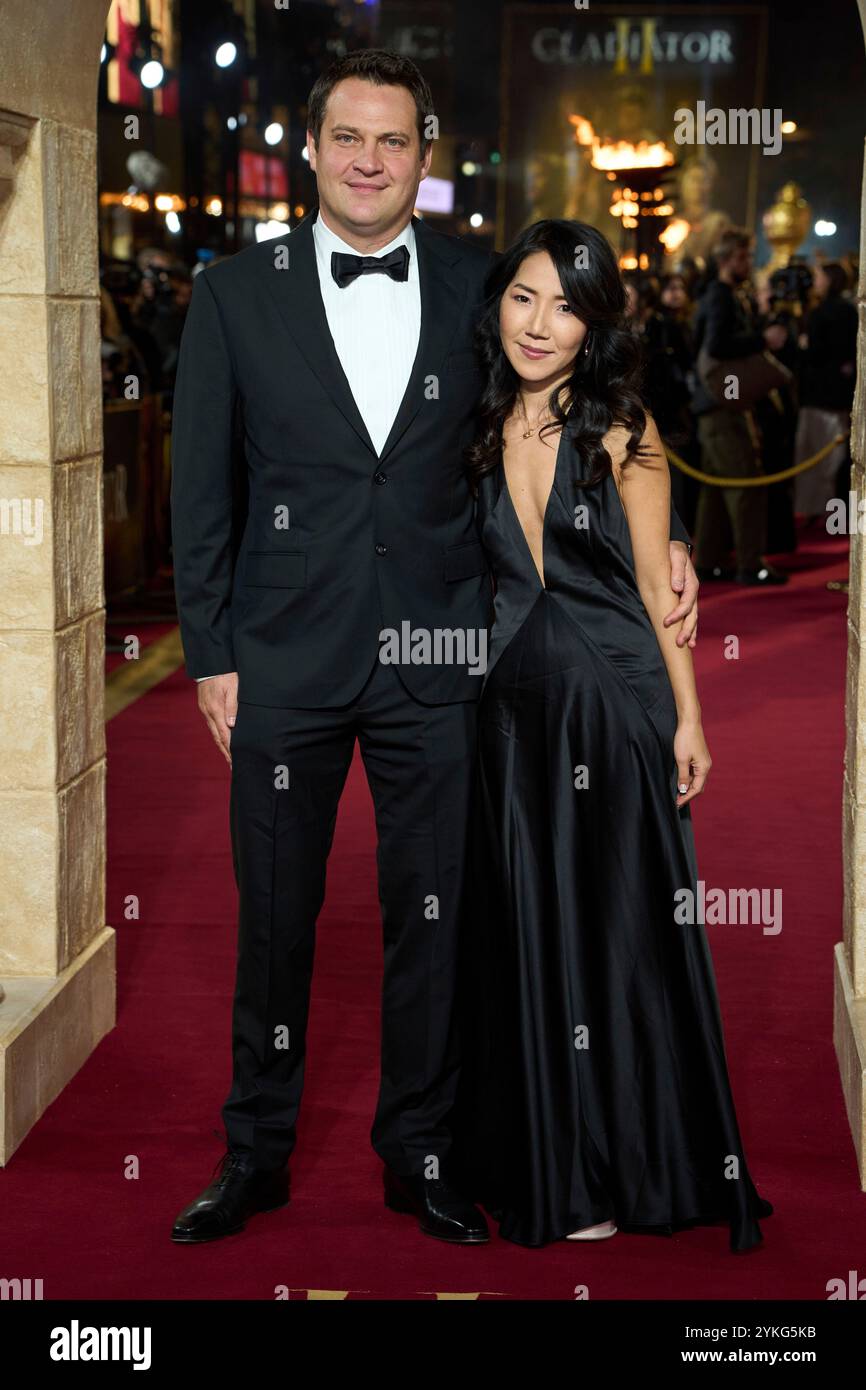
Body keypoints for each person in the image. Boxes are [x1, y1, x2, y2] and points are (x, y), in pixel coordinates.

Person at [168, 50, 699, 1247]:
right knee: (273, 920)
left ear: (422, 156)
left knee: (435, 919)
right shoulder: (233, 293)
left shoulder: (478, 287)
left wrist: (666, 539)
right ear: (311, 148)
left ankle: (420, 1152)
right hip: (282, 661)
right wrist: (211, 654)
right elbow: (201, 493)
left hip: (444, 656)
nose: (368, 160)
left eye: (393, 141)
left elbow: (581, 406)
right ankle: (254, 1153)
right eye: (348, 137)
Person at [452, 219, 772, 1253]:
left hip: (610, 701)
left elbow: (654, 583)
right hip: (508, 711)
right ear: (498, 303)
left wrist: (688, 716)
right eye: (524, 297)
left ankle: (631, 1164)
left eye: (566, 306)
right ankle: (556, 1161)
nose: (539, 324)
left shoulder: (622, 425)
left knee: (617, 934)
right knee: (531, 928)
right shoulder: (475, 416)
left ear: (594, 325)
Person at [691, 228, 789, 585]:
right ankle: (750, 564)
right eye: (742, 256)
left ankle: (708, 561)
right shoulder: (720, 295)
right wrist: (762, 339)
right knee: (746, 482)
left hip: (715, 405)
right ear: (725, 260)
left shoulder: (719, 294)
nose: (748, 262)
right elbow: (718, 346)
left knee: (716, 488)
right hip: (723, 406)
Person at [793, 261, 857, 520]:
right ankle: (834, 511)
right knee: (834, 458)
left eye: (819, 277)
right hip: (840, 396)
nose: (815, 282)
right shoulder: (850, 311)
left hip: (818, 396)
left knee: (817, 456)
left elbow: (815, 355)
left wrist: (802, 346)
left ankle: (819, 510)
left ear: (830, 280)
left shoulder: (821, 313)